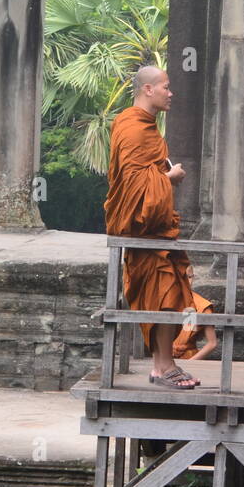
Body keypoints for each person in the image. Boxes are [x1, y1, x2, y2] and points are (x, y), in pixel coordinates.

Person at [103, 65, 200, 390]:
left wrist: (161, 178)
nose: (170, 93)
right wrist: (168, 179)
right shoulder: (131, 127)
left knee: (169, 296)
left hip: (158, 230)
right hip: (141, 231)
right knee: (161, 296)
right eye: (166, 87)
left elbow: (142, 177)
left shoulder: (147, 127)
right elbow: (130, 186)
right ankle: (163, 366)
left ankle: (163, 365)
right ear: (148, 89)